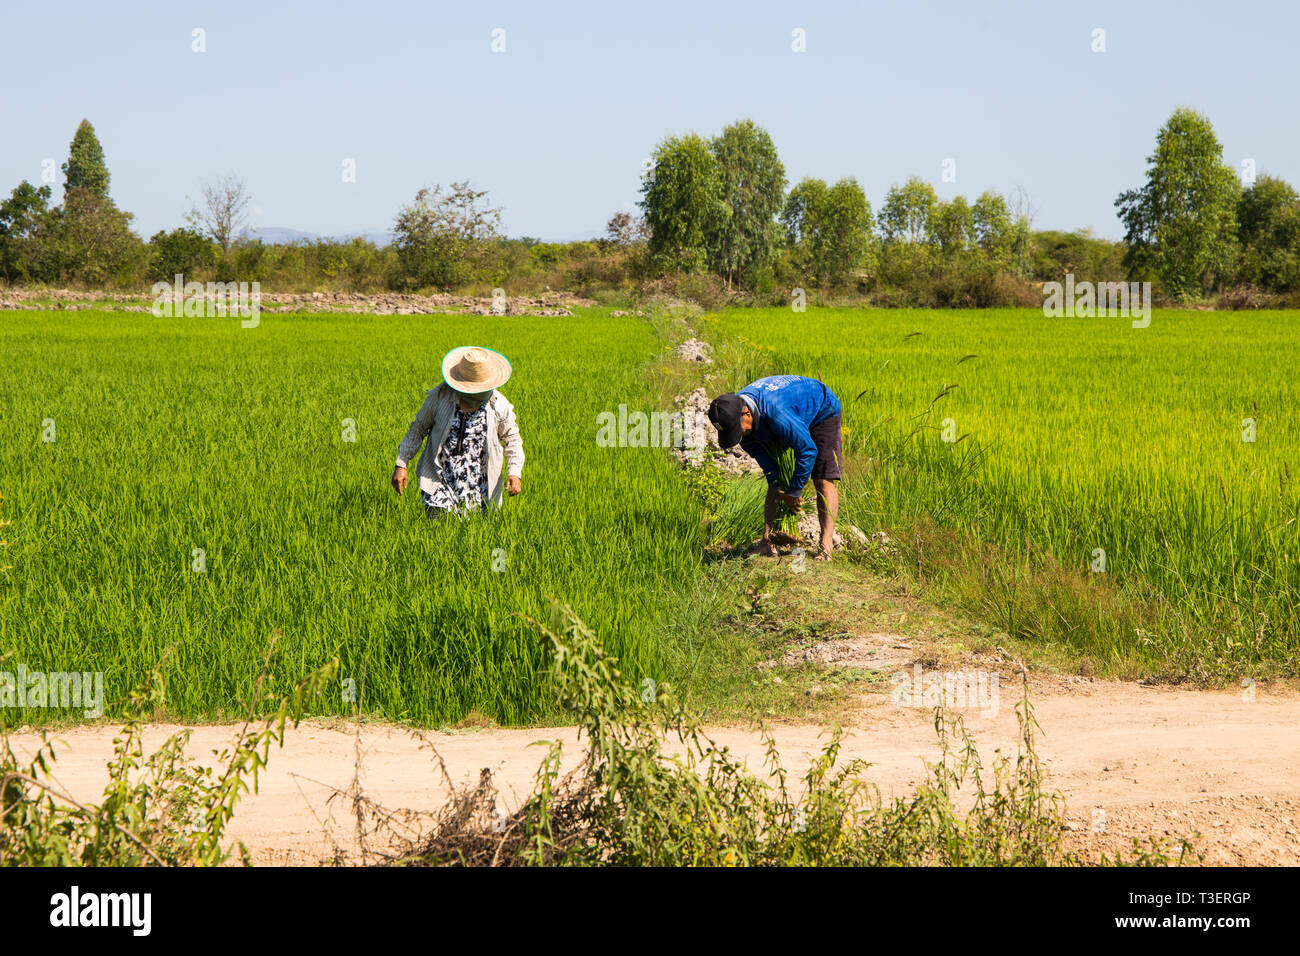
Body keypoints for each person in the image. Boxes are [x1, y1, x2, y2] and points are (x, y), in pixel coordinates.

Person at [707, 375, 842, 559]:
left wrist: (794, 492)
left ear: (747, 413)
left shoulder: (777, 414)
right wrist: (776, 482)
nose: (740, 436)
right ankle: (767, 542)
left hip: (821, 409)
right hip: (788, 415)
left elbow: (808, 450)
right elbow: (765, 461)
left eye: (739, 430)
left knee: (822, 479)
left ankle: (826, 547)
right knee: (776, 483)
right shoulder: (733, 413)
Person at [391, 346, 524, 516]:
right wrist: (401, 464)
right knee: (438, 532)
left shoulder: (498, 405)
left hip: (481, 486)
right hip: (439, 482)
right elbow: (418, 429)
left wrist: (514, 472)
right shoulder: (440, 397)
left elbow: (512, 439)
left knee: (476, 536)